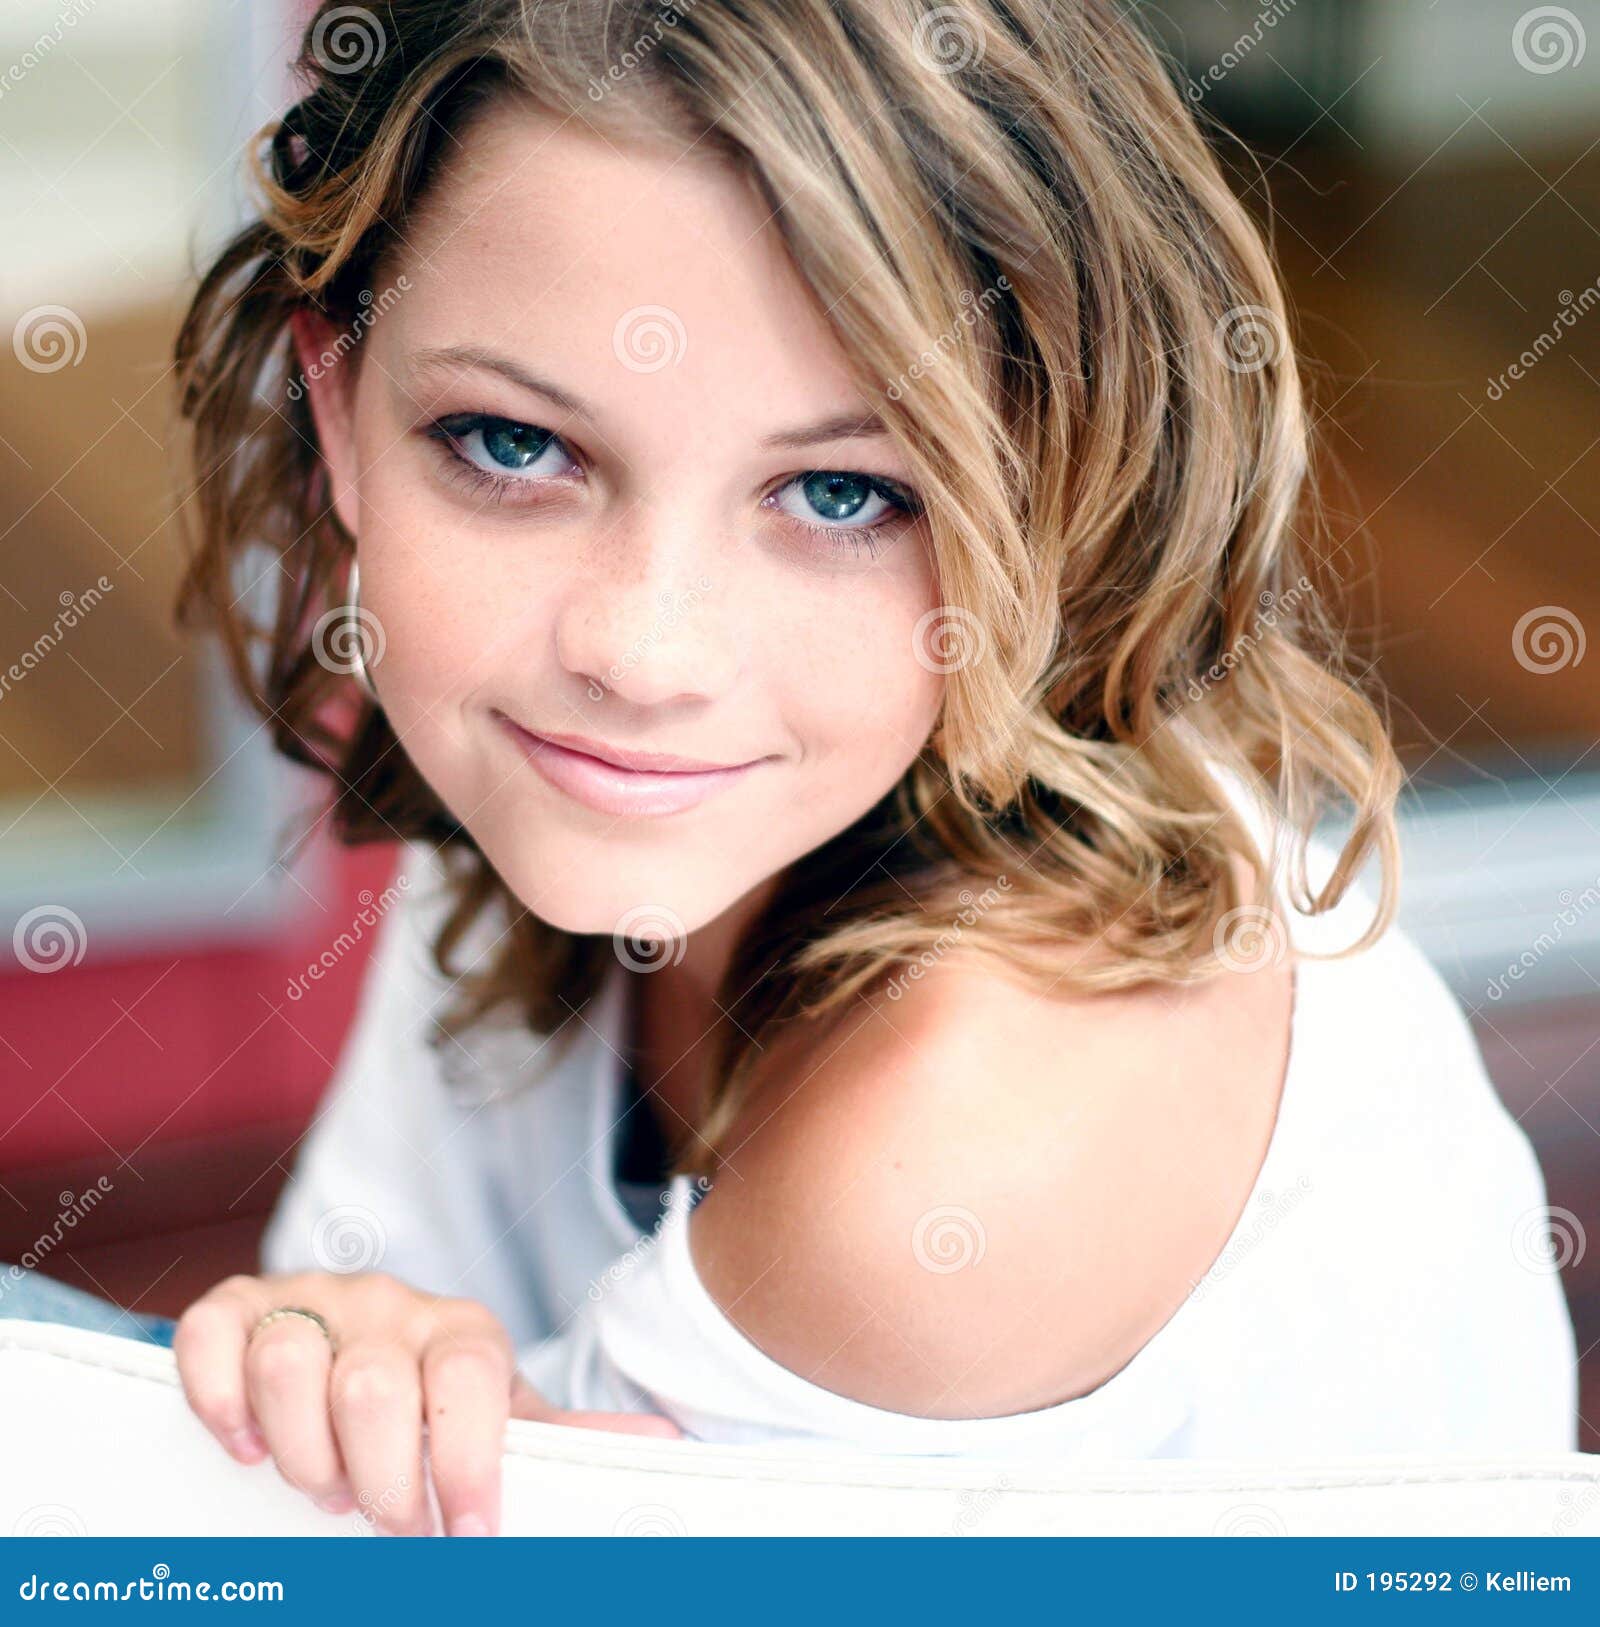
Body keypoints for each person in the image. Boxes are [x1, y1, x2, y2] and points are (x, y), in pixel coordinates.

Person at [123, 0, 1574, 1537]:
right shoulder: (577, 794)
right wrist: (347, 1363)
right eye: (512, 446)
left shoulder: (947, 1150)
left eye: (837, 491)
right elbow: (343, 1359)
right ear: (340, 407)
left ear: (1054, 491)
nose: (641, 650)